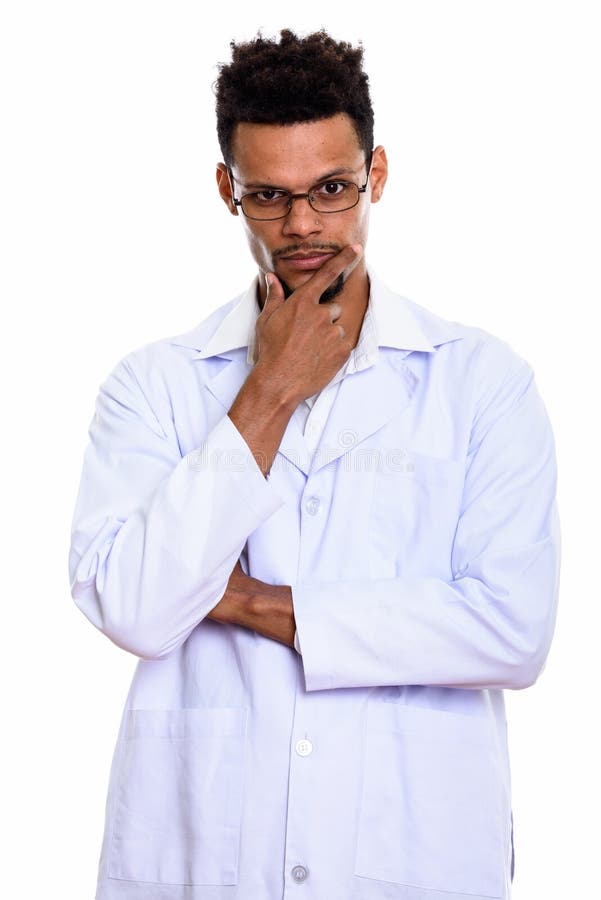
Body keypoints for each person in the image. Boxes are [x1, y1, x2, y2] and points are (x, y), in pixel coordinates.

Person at [68, 28, 561, 900]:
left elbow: (511, 632)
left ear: (376, 174)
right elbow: (138, 611)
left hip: (411, 856)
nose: (301, 225)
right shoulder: (153, 387)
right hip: (206, 855)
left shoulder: (481, 382)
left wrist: (249, 601)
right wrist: (269, 391)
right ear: (227, 191)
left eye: (331, 189)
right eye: (268, 195)